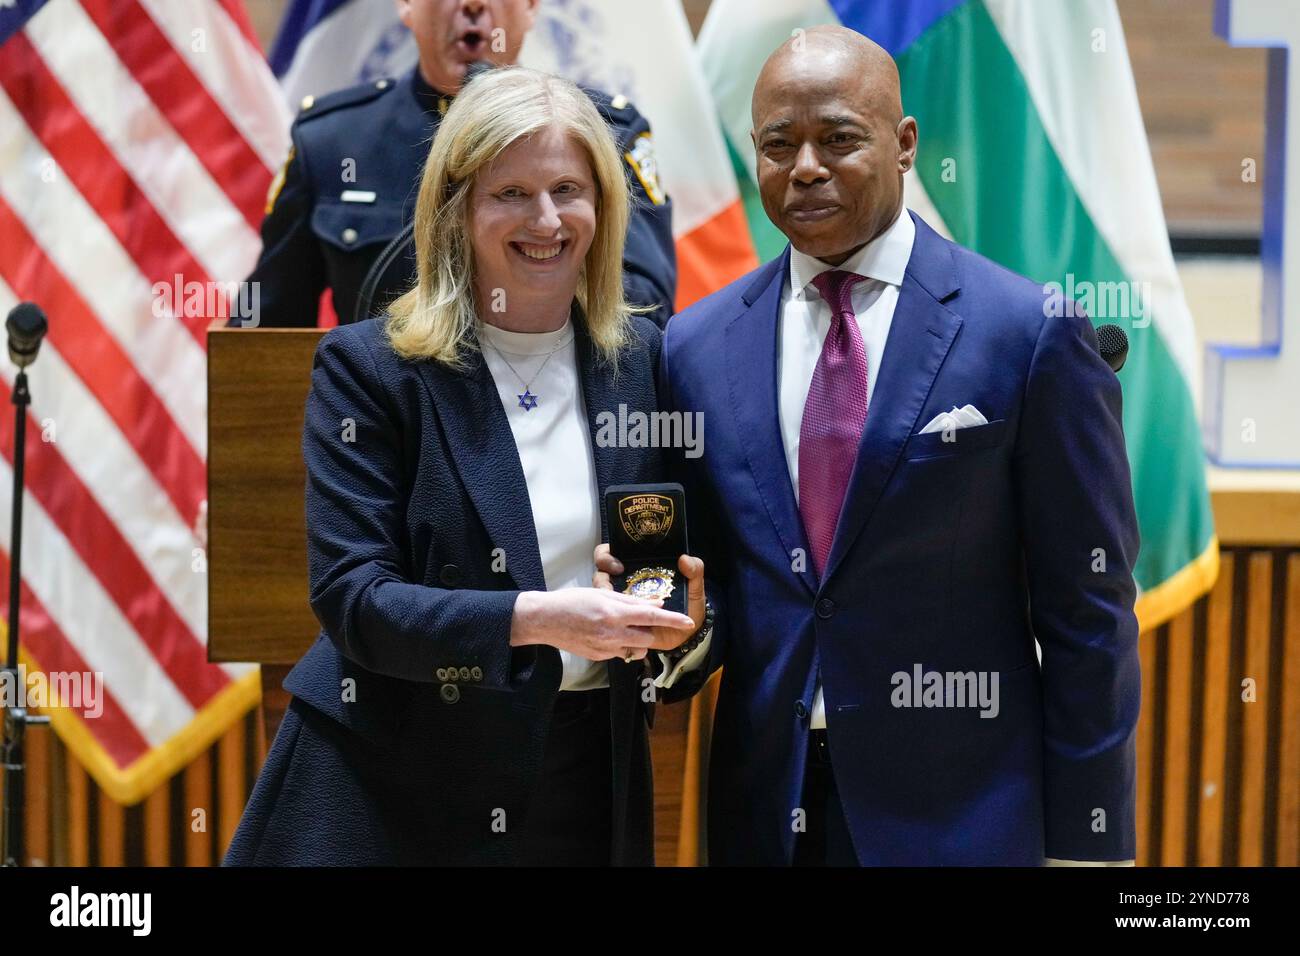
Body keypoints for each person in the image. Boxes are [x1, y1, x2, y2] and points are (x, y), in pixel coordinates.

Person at [606, 26, 1142, 866]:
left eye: (839, 138)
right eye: (779, 145)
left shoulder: (1026, 333)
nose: (806, 166)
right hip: (766, 809)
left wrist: (1092, 841)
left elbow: (1090, 610)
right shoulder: (695, 346)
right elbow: (706, 573)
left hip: (966, 816)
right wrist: (672, 629)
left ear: (904, 143)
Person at [224, 67, 707, 866]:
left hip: (584, 781)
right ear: (456, 210)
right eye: (510, 192)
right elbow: (355, 600)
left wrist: (685, 629)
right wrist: (541, 619)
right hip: (398, 784)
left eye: (567, 188)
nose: (546, 218)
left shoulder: (649, 363)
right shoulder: (370, 370)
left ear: (605, 205)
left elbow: (695, 581)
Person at [244, 0, 676, 329]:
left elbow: (646, 311)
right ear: (406, 5)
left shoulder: (602, 133)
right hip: (385, 425)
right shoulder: (334, 140)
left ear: (531, 7)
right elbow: (264, 329)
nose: (471, 5)